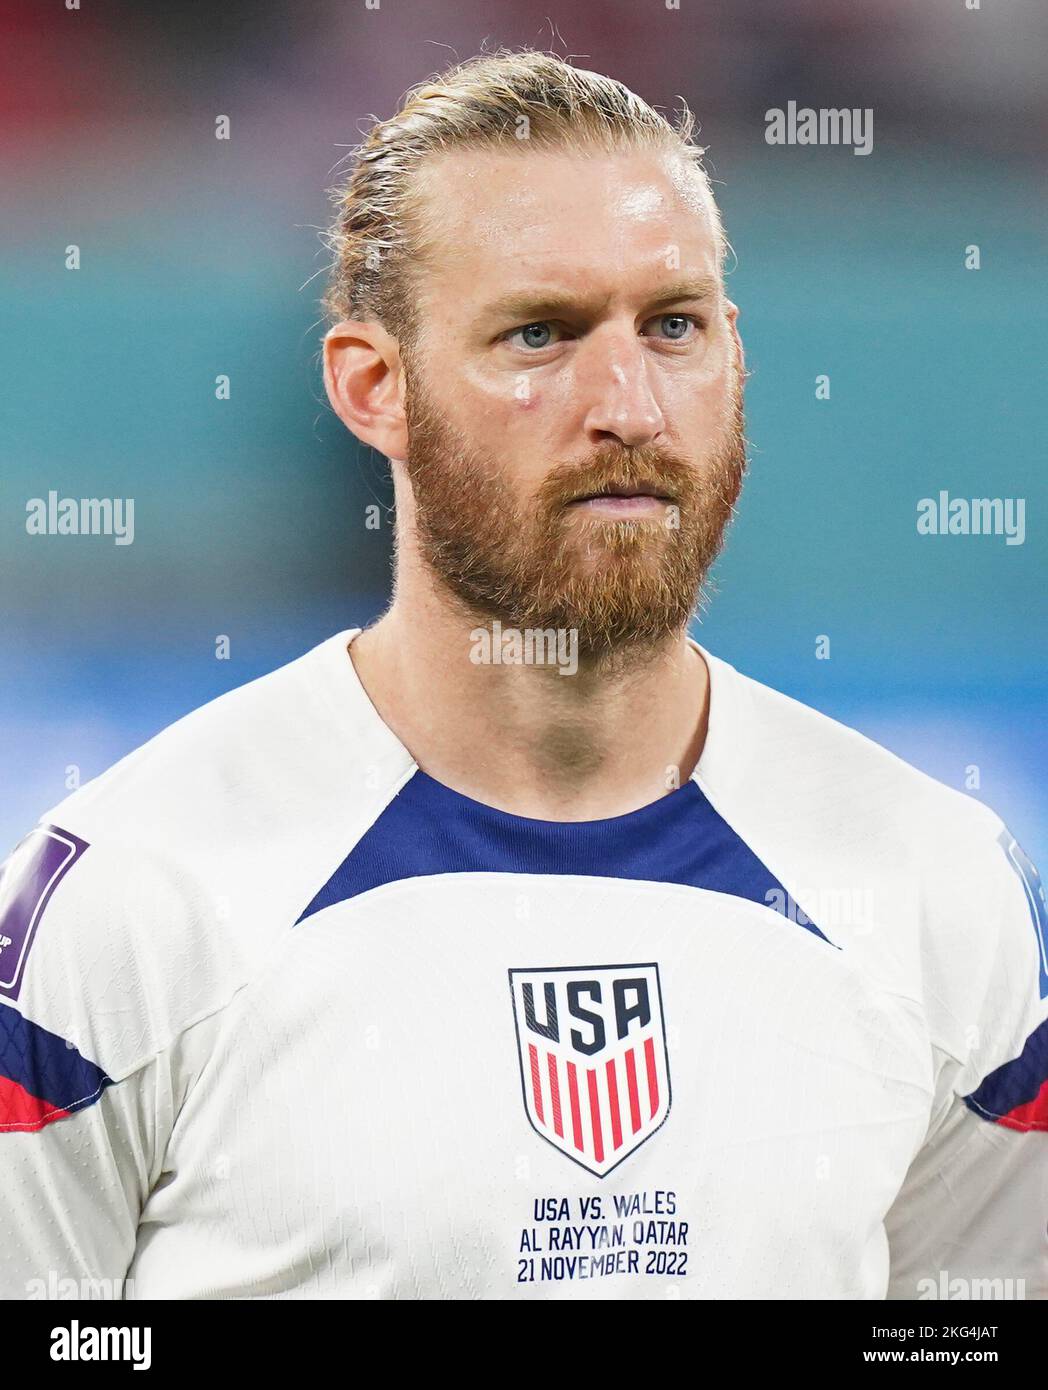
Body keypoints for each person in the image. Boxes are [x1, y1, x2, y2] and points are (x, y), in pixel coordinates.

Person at [2, 49, 1045, 1301]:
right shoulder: (128, 904)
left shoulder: (939, 884)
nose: (627, 405)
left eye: (673, 325)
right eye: (539, 334)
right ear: (372, 386)